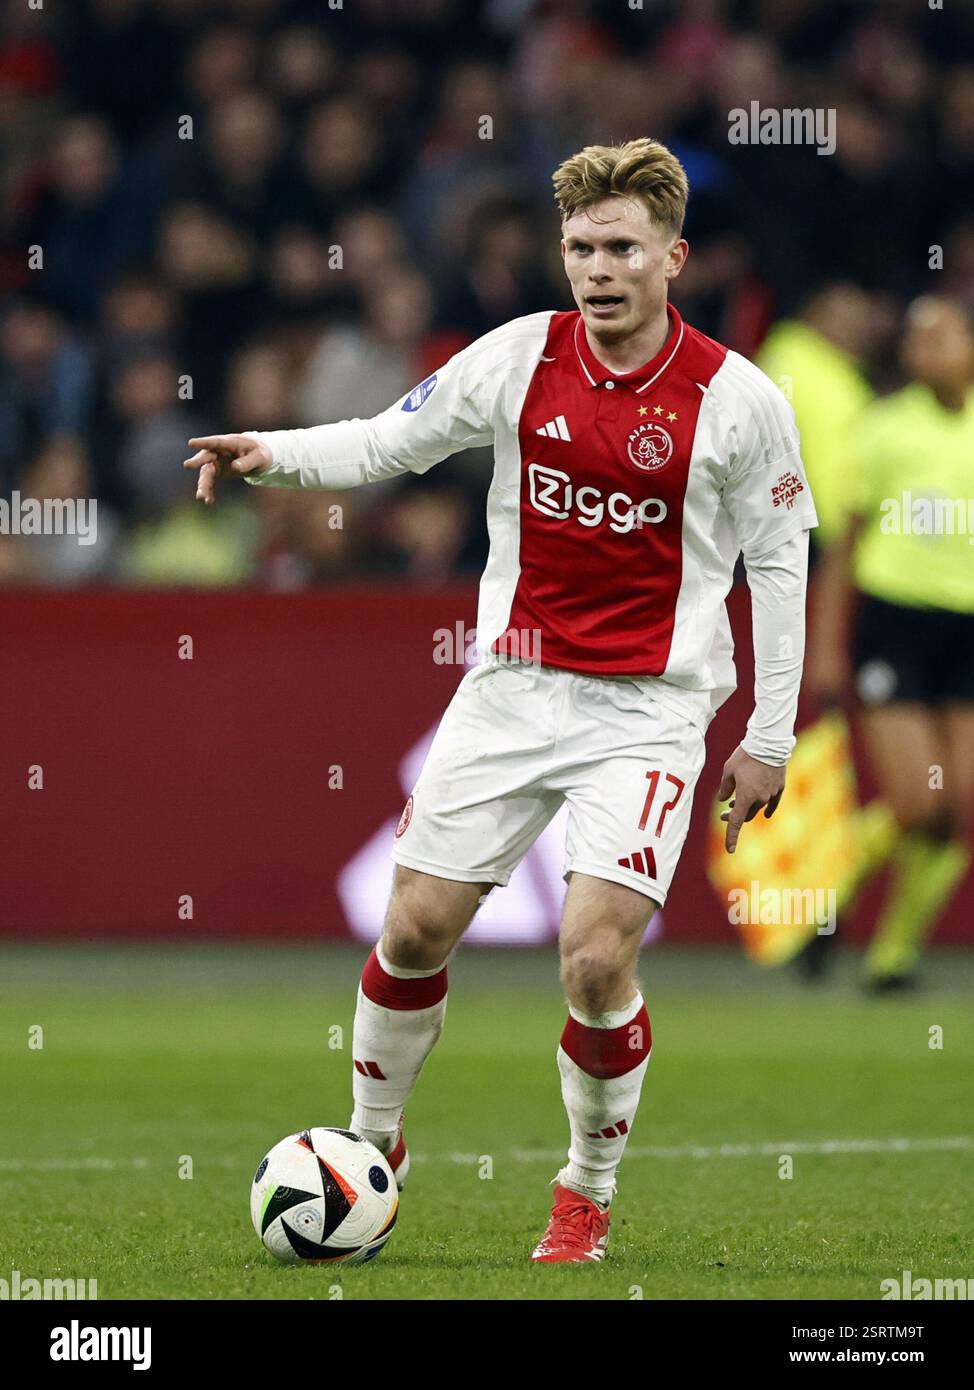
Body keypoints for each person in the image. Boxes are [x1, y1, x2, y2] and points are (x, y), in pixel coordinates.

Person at [184, 138, 817, 1263]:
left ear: (674, 258)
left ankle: (584, 1190)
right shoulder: (518, 357)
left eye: (621, 247)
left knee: (591, 958)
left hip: (651, 710)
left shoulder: (739, 400)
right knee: (415, 927)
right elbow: (388, 440)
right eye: (579, 246)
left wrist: (766, 737)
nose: (597, 266)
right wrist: (266, 453)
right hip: (511, 688)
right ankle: (371, 1149)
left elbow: (778, 564)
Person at [809, 297, 974, 991]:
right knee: (915, 804)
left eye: (943, 336)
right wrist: (825, 645)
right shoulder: (880, 430)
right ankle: (832, 903)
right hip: (897, 623)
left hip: (965, 628)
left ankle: (892, 955)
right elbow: (844, 548)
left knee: (958, 805)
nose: (927, 348)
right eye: (918, 339)